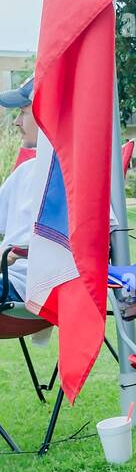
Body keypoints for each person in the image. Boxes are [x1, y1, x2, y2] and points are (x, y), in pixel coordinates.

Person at [0, 76, 38, 305]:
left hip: (22, 285)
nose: (17, 122)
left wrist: (10, 254)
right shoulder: (26, 171)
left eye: (24, 112)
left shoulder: (73, 175)